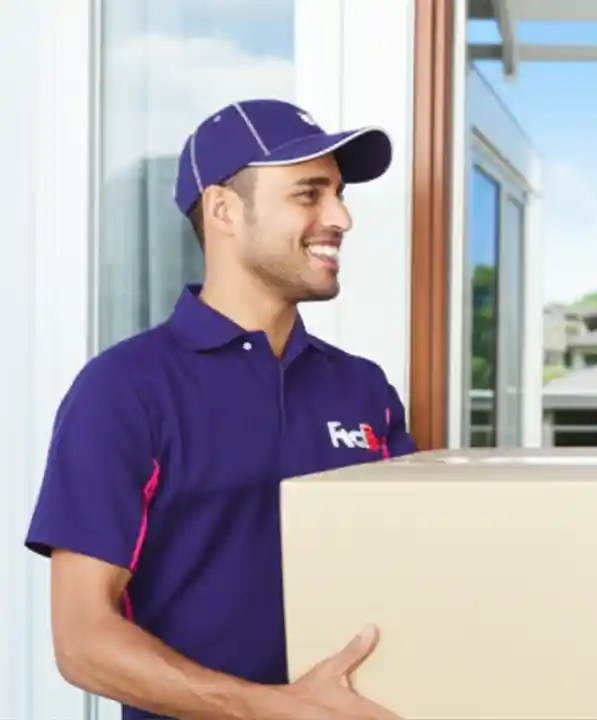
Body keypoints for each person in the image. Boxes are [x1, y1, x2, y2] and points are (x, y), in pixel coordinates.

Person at [24, 99, 417, 720]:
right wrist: (272, 709)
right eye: (309, 194)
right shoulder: (125, 389)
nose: (341, 217)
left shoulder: (363, 389)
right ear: (224, 210)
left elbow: (415, 571)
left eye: (339, 194)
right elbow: (83, 643)